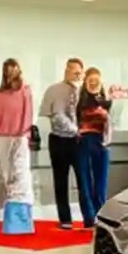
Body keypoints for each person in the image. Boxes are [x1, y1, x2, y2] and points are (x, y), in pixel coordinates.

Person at [0, 58, 35, 234]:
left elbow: (28, 117)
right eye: (8, 71)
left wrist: (23, 136)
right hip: (3, 139)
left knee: (21, 179)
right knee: (8, 179)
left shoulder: (25, 93)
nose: (11, 75)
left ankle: (21, 223)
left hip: (19, 139)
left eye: (14, 70)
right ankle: (13, 223)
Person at [39, 58, 84, 229]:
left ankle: (88, 217)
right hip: (59, 139)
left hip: (80, 142)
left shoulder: (85, 91)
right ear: (66, 70)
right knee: (61, 181)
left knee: (84, 180)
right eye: (73, 71)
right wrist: (74, 129)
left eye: (79, 72)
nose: (76, 75)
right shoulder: (53, 90)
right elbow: (54, 114)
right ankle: (65, 219)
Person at [76, 67, 113, 229]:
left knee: (100, 184)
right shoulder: (79, 101)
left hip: (101, 143)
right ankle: (89, 219)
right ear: (85, 82)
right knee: (85, 183)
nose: (93, 83)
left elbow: (111, 124)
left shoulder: (106, 101)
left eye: (96, 81)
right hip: (83, 142)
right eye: (90, 81)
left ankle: (100, 217)